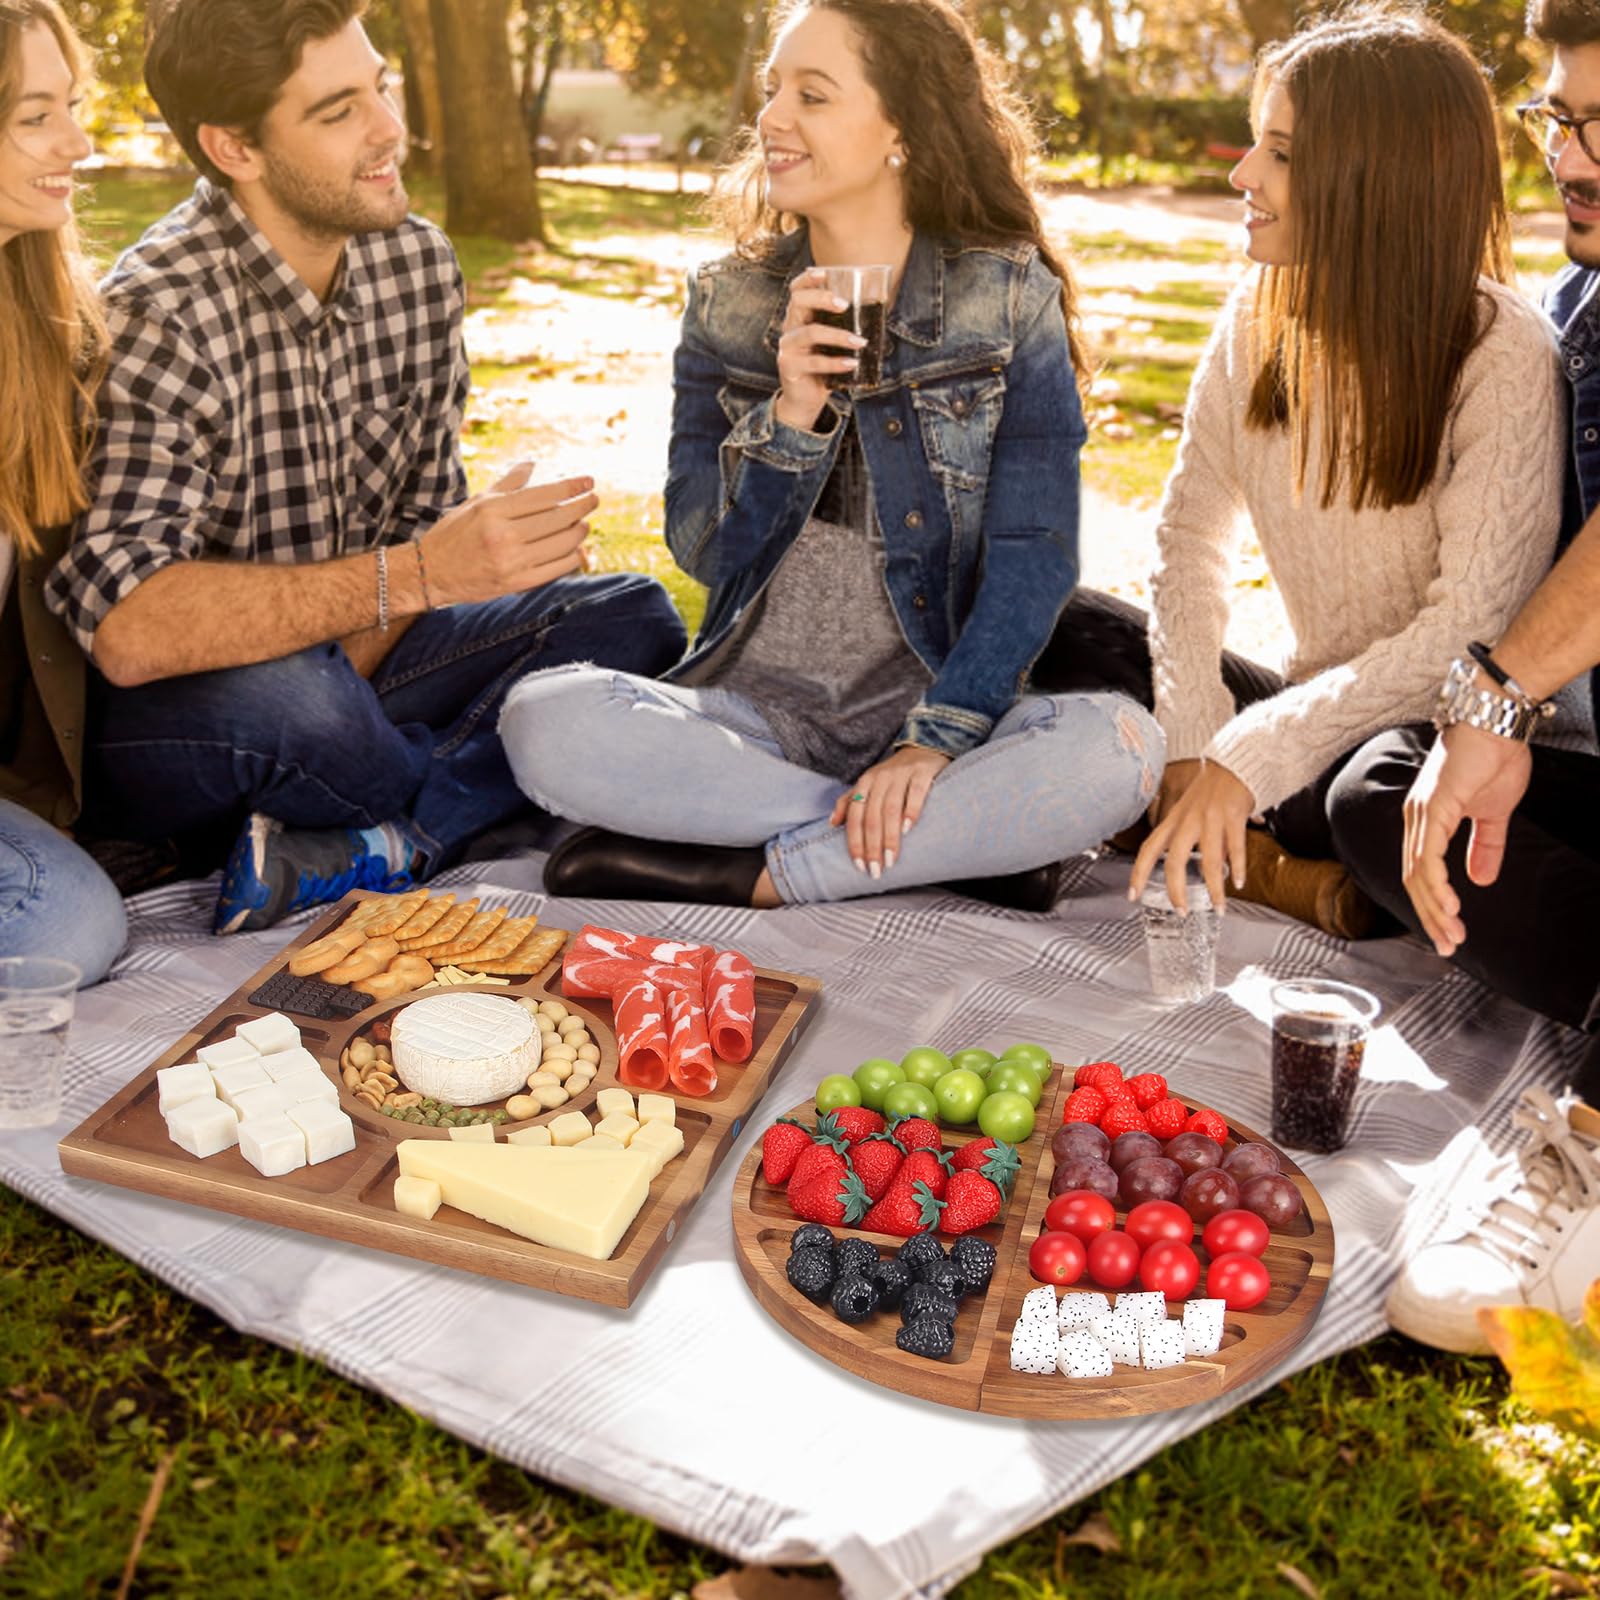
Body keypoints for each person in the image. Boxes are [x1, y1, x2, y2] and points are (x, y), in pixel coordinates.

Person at [498, 0, 1162, 911]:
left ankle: (770, 872)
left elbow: (1033, 553)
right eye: (773, 91)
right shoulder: (728, 303)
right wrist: (792, 416)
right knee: (542, 719)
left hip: (941, 718)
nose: (772, 119)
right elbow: (703, 549)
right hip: (755, 719)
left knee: (1121, 749)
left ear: (904, 130)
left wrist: (936, 743)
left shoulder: (1004, 298)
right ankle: (948, 844)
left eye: (812, 95)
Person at [45, 0, 685, 935]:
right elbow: (129, 630)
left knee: (628, 617)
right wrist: (426, 573)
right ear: (235, 149)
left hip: (370, 660)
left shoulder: (416, 265)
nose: (390, 128)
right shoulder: (160, 312)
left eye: (377, 87)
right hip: (205, 716)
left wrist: (465, 565)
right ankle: (430, 802)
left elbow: (428, 534)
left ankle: (386, 839)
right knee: (312, 709)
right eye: (338, 110)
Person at [1101, 8, 1568, 944]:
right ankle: (1285, 871)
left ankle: (1265, 848)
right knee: (1077, 645)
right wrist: (1194, 738)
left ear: (1371, 181)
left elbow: (1465, 636)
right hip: (1308, 716)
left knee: (1371, 795)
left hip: (1431, 737)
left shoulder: (1500, 352)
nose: (1243, 176)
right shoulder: (1255, 317)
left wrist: (1250, 753)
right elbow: (1190, 539)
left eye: (1278, 153)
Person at [1327, 0, 1600, 1354]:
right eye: (1560, 117)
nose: (1574, 155)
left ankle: (1591, 1140)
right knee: (1383, 784)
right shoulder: (1576, 312)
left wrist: (1495, 697)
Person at [0, 0, 125, 985]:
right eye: (35, 116)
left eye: (70, 108)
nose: (77, 144)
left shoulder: (49, 331)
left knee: (70, 926)